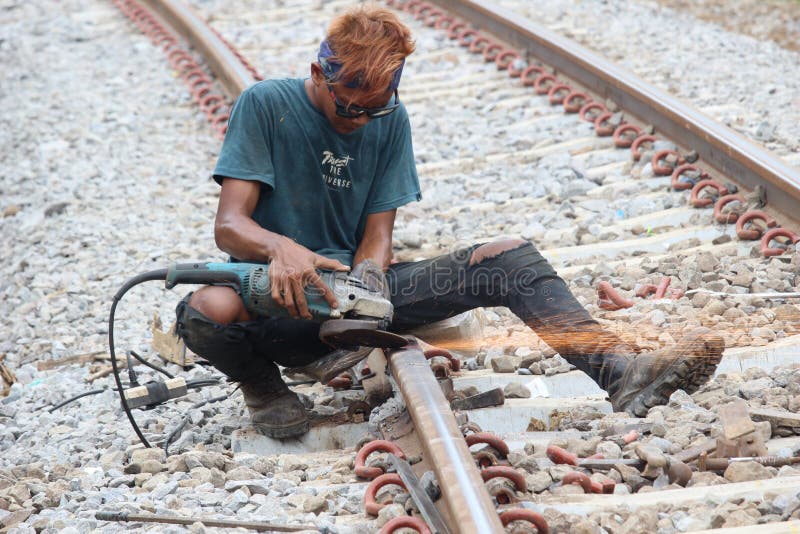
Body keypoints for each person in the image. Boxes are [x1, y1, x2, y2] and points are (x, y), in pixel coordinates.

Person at [175, 5, 724, 439]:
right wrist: (280, 250)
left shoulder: (391, 121)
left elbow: (378, 234)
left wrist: (365, 286)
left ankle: (619, 373)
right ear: (320, 74)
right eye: (350, 107)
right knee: (204, 310)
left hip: (346, 301)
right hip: (281, 299)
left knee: (507, 257)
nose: (361, 120)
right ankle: (265, 389)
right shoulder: (266, 105)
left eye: (376, 108)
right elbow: (230, 227)